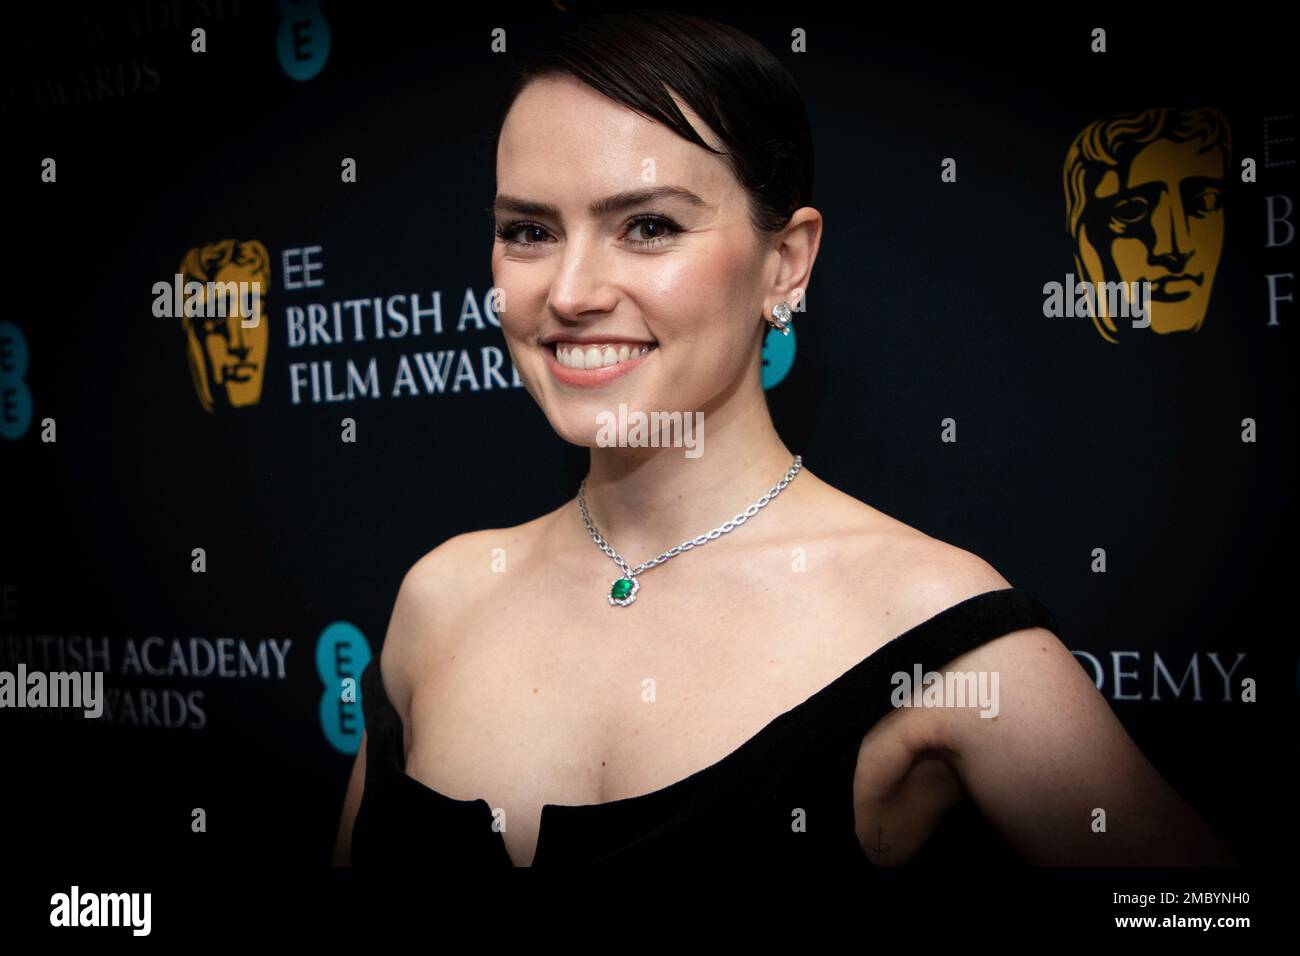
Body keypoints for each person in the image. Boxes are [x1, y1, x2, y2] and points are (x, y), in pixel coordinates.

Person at [333, 10, 1235, 868]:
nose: (570, 292)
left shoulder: (925, 619)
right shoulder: (441, 599)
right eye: (528, 231)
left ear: (787, 262)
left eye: (647, 226)